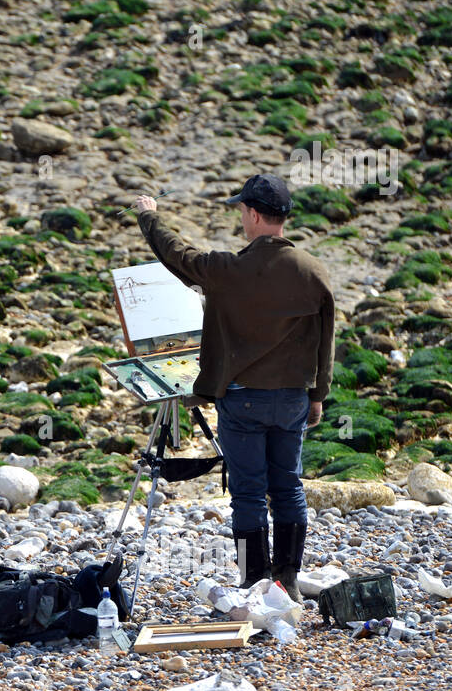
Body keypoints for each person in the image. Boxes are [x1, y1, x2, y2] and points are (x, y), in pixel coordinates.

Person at [133, 174, 335, 601]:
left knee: (247, 493)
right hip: (292, 399)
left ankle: (253, 580)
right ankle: (288, 580)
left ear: (256, 214)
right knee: (288, 487)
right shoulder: (313, 271)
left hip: (242, 401)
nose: (241, 217)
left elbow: (178, 256)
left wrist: (150, 219)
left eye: (243, 211)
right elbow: (326, 340)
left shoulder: (228, 270)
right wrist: (317, 396)